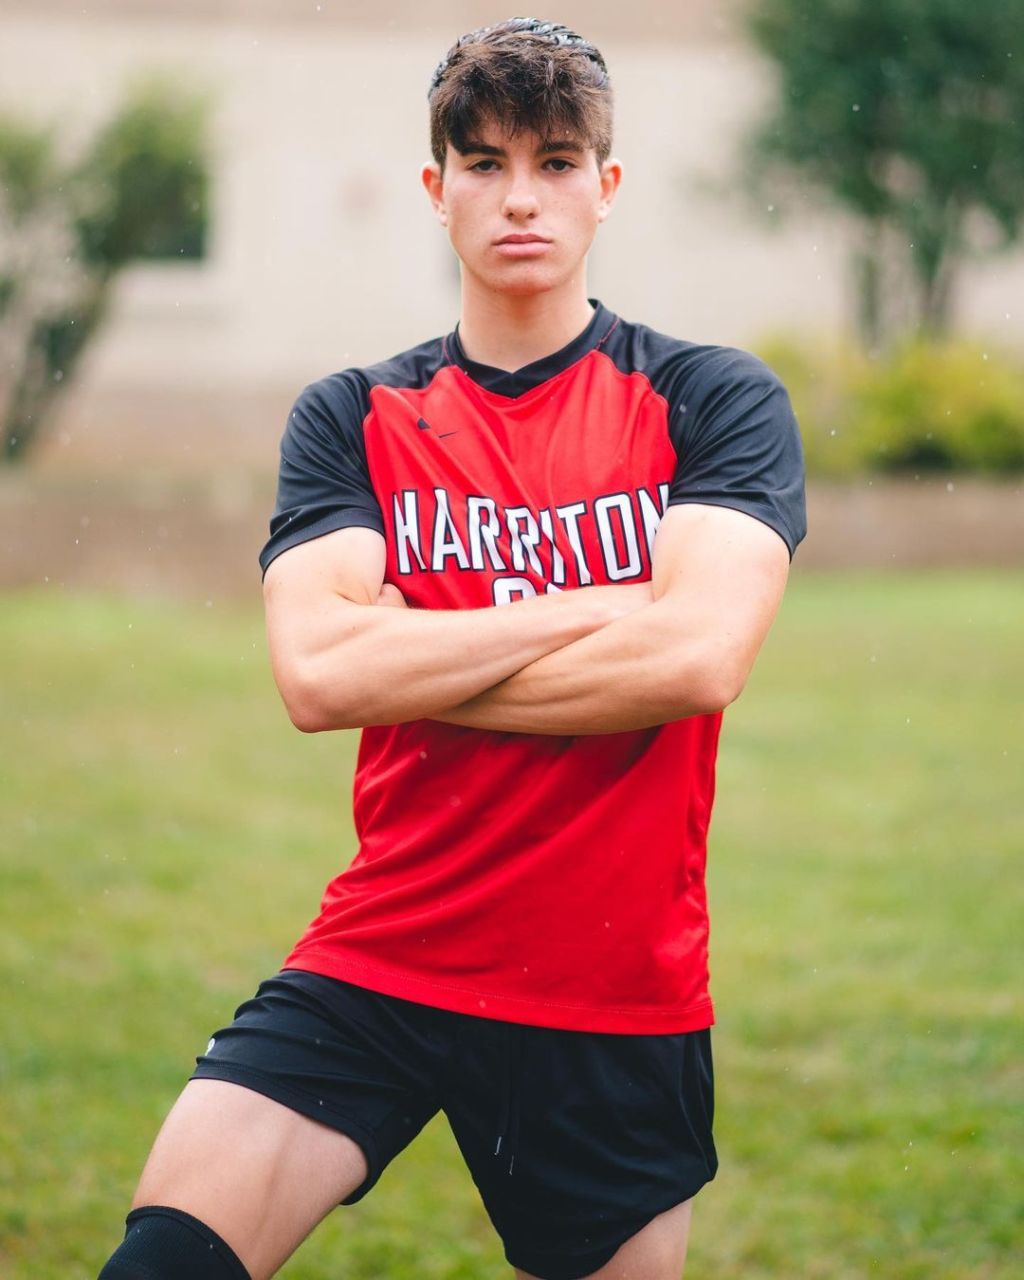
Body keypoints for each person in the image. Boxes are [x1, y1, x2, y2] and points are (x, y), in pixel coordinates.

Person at [97, 17, 806, 1280]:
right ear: (435, 192)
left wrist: (416, 646)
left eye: (554, 161)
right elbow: (320, 675)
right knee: (162, 1264)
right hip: (383, 953)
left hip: (610, 993)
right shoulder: (356, 413)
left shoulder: (709, 396)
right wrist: (597, 602)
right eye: (481, 163)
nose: (518, 196)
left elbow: (694, 659)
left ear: (608, 186)